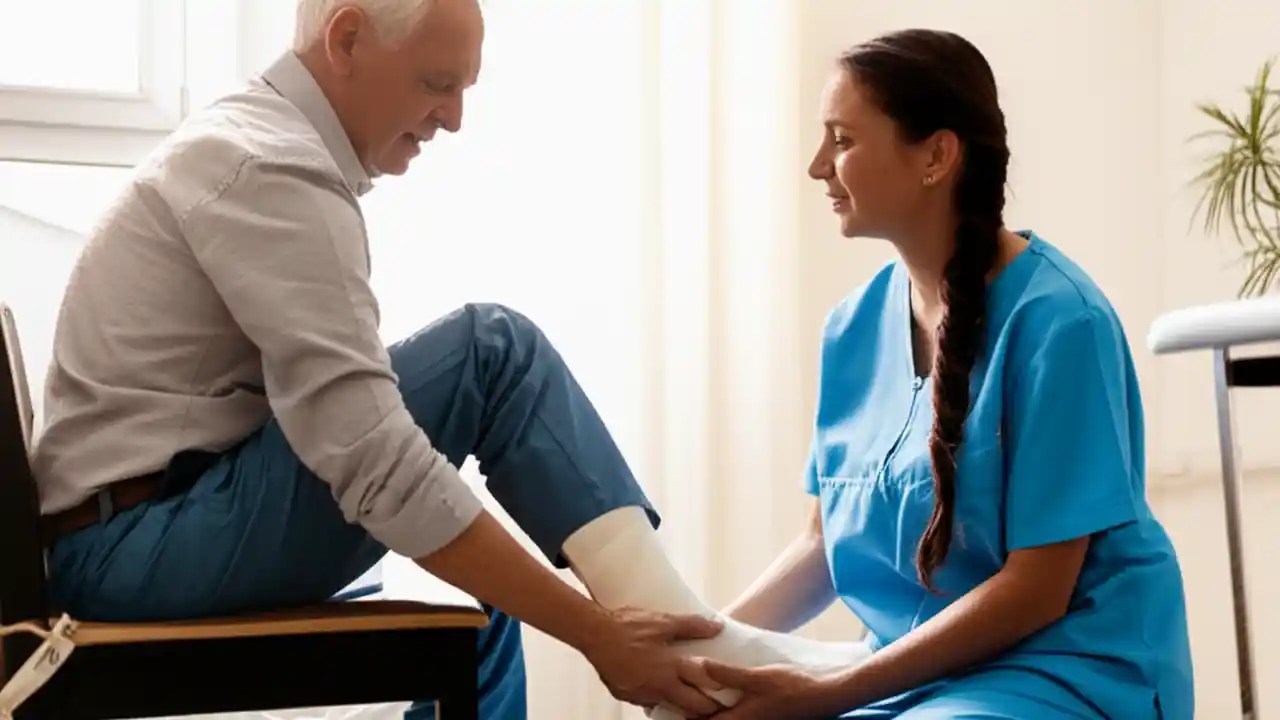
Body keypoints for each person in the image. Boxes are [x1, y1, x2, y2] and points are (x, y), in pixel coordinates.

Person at [29, 0, 873, 718]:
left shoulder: (256, 150)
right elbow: (372, 463)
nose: (454, 119)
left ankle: (681, 638)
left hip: (151, 527)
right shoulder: (266, 167)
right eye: (437, 85)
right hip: (140, 547)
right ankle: (690, 646)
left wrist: (577, 619)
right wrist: (598, 637)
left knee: (484, 603)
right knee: (489, 350)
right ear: (348, 39)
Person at [686, 29, 1196, 720]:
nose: (815, 166)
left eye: (841, 139)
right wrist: (701, 654)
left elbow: (1036, 591)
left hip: (1065, 672)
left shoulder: (1062, 323)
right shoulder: (850, 330)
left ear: (935, 154)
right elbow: (820, 544)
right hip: (909, 678)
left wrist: (830, 695)